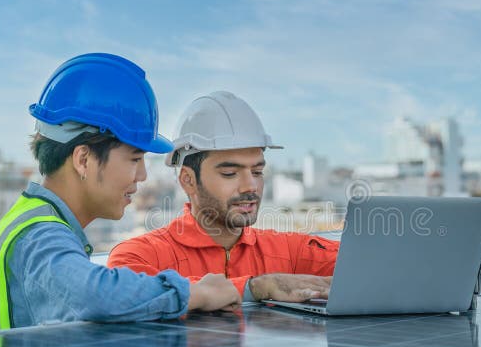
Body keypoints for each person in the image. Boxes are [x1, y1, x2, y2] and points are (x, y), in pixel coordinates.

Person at [0, 54, 240, 336]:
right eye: (134, 159)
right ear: (83, 160)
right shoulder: (39, 234)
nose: (142, 176)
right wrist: (195, 293)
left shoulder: (32, 217)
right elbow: (93, 295)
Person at [108, 91, 338, 303]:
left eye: (257, 172)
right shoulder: (143, 254)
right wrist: (255, 288)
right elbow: (124, 293)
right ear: (188, 180)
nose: (251, 186)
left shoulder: (289, 250)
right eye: (230, 173)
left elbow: (365, 262)